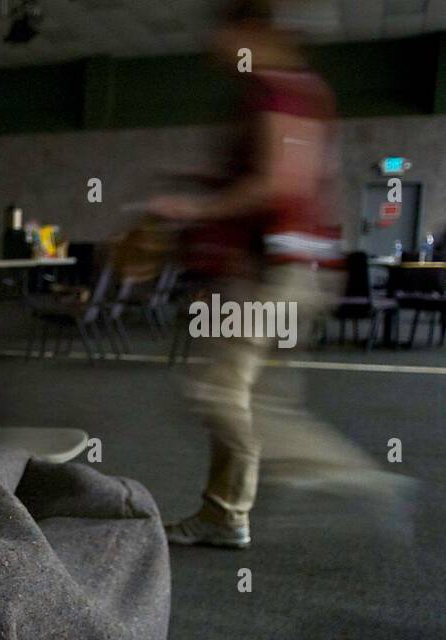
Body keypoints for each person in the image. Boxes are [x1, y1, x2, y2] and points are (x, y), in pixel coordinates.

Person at [149, 0, 369, 549]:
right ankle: (224, 514)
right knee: (244, 394)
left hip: (274, 269)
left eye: (223, 34)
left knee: (215, 390)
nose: (215, 47)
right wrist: (203, 182)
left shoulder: (277, 90)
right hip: (289, 269)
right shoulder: (295, 90)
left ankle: (341, 474)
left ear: (253, 31)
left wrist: (190, 208)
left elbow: (276, 185)